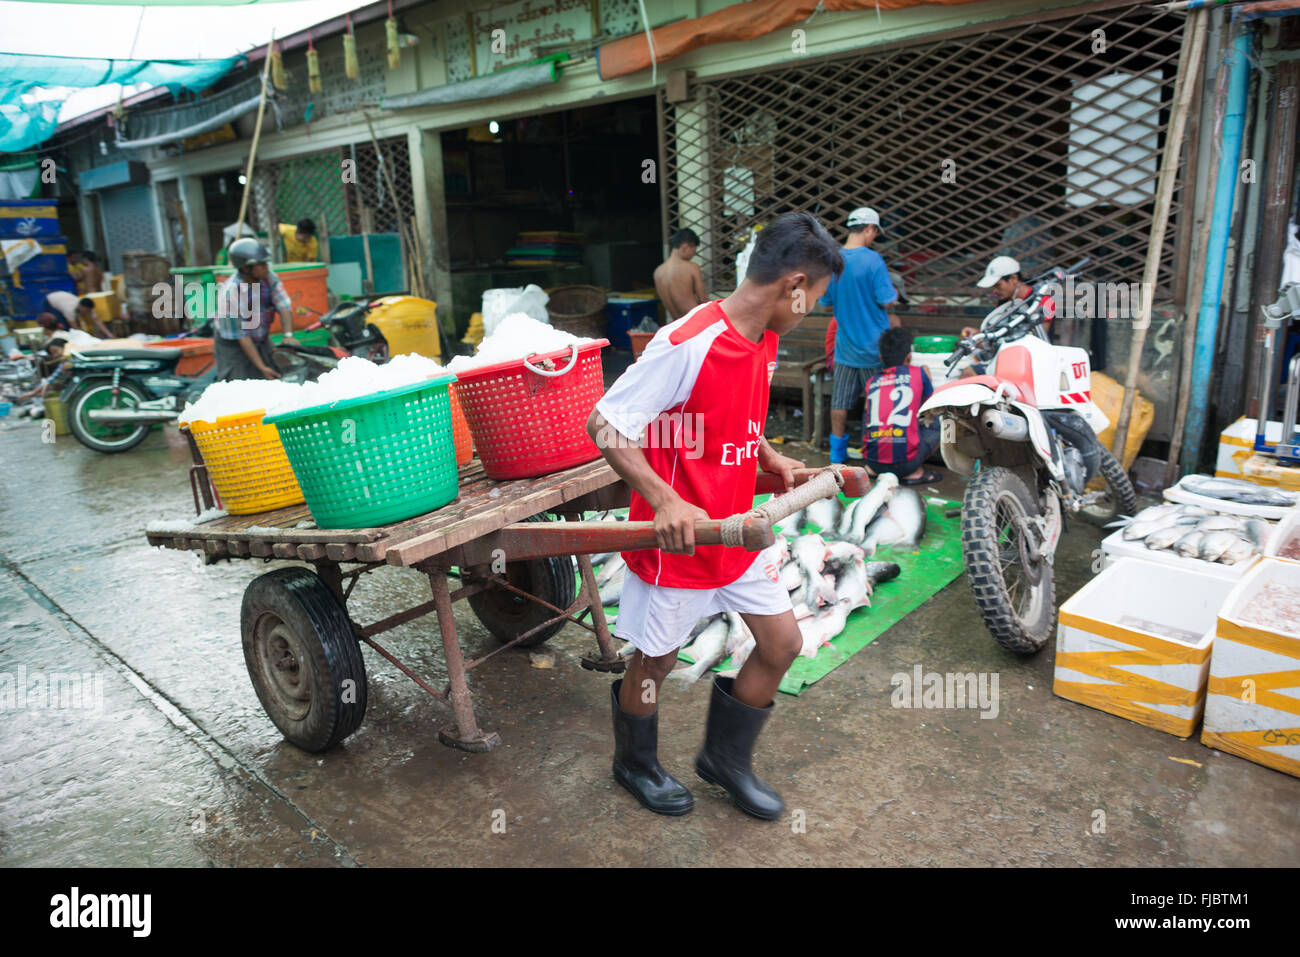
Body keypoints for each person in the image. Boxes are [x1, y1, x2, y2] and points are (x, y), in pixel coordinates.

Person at [586, 211, 843, 820]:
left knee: (782, 643)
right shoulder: (687, 342)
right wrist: (665, 497)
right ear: (794, 285)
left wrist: (775, 459)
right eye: (817, 298)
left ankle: (724, 760)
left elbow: (738, 422)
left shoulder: (765, 339)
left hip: (736, 531)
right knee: (657, 662)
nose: (814, 310)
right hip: (678, 542)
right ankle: (635, 763)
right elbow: (606, 423)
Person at [818, 206, 899, 464]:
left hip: (845, 348)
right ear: (868, 229)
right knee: (875, 402)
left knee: (840, 401)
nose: (874, 237)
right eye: (874, 232)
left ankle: (836, 455)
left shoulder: (833, 261)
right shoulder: (873, 260)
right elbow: (886, 299)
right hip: (873, 348)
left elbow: (826, 302)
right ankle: (871, 452)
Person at [862, 327, 940, 485]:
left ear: (881, 357)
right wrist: (927, 376)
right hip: (906, 465)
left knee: (869, 416)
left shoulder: (872, 382)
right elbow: (930, 406)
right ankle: (916, 472)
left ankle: (875, 470)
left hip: (872, 462)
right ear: (909, 357)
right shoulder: (919, 373)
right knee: (944, 420)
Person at [214, 237, 295, 381]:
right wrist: (261, 367)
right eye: (261, 264)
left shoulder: (269, 278)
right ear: (246, 268)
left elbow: (284, 306)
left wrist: (288, 335)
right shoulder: (230, 293)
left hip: (261, 337)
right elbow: (242, 335)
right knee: (240, 385)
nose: (266, 267)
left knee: (278, 375)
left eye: (266, 263)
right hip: (234, 345)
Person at [653, 228, 707, 321]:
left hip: (675, 323)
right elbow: (703, 299)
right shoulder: (692, 267)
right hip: (693, 320)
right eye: (693, 252)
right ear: (685, 247)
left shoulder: (658, 271)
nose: (692, 256)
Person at [12, 337, 73, 403]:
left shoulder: (72, 362)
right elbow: (51, 378)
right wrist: (33, 393)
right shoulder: (62, 365)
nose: (55, 355)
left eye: (56, 351)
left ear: (66, 347)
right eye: (52, 354)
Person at [44, 291, 111, 339]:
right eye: (85, 311)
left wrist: (109, 334)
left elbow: (98, 321)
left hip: (61, 297)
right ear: (81, 307)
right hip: (50, 301)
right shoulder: (69, 309)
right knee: (65, 326)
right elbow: (74, 326)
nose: (86, 312)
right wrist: (89, 337)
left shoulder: (88, 308)